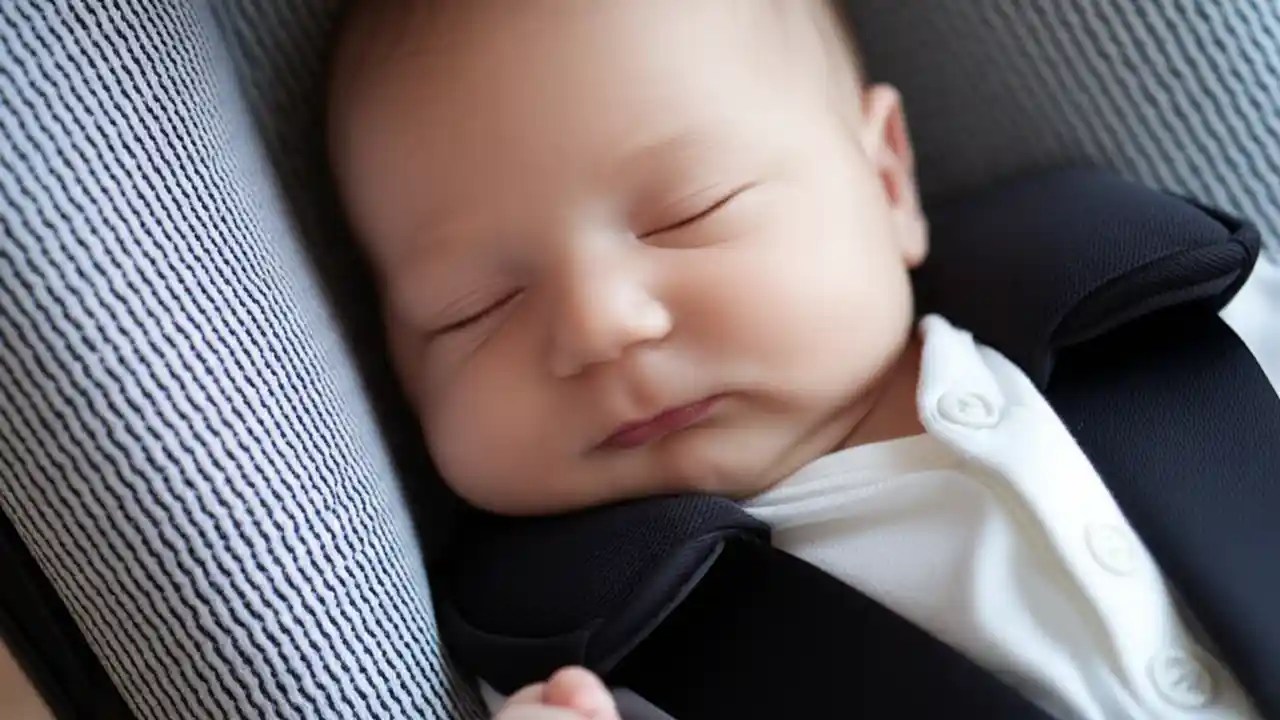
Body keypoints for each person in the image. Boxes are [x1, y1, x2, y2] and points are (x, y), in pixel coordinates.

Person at [326, 1, 1270, 717]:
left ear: (887, 177)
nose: (598, 325)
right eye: (473, 310)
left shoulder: (1169, 319)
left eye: (689, 211)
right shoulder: (593, 658)